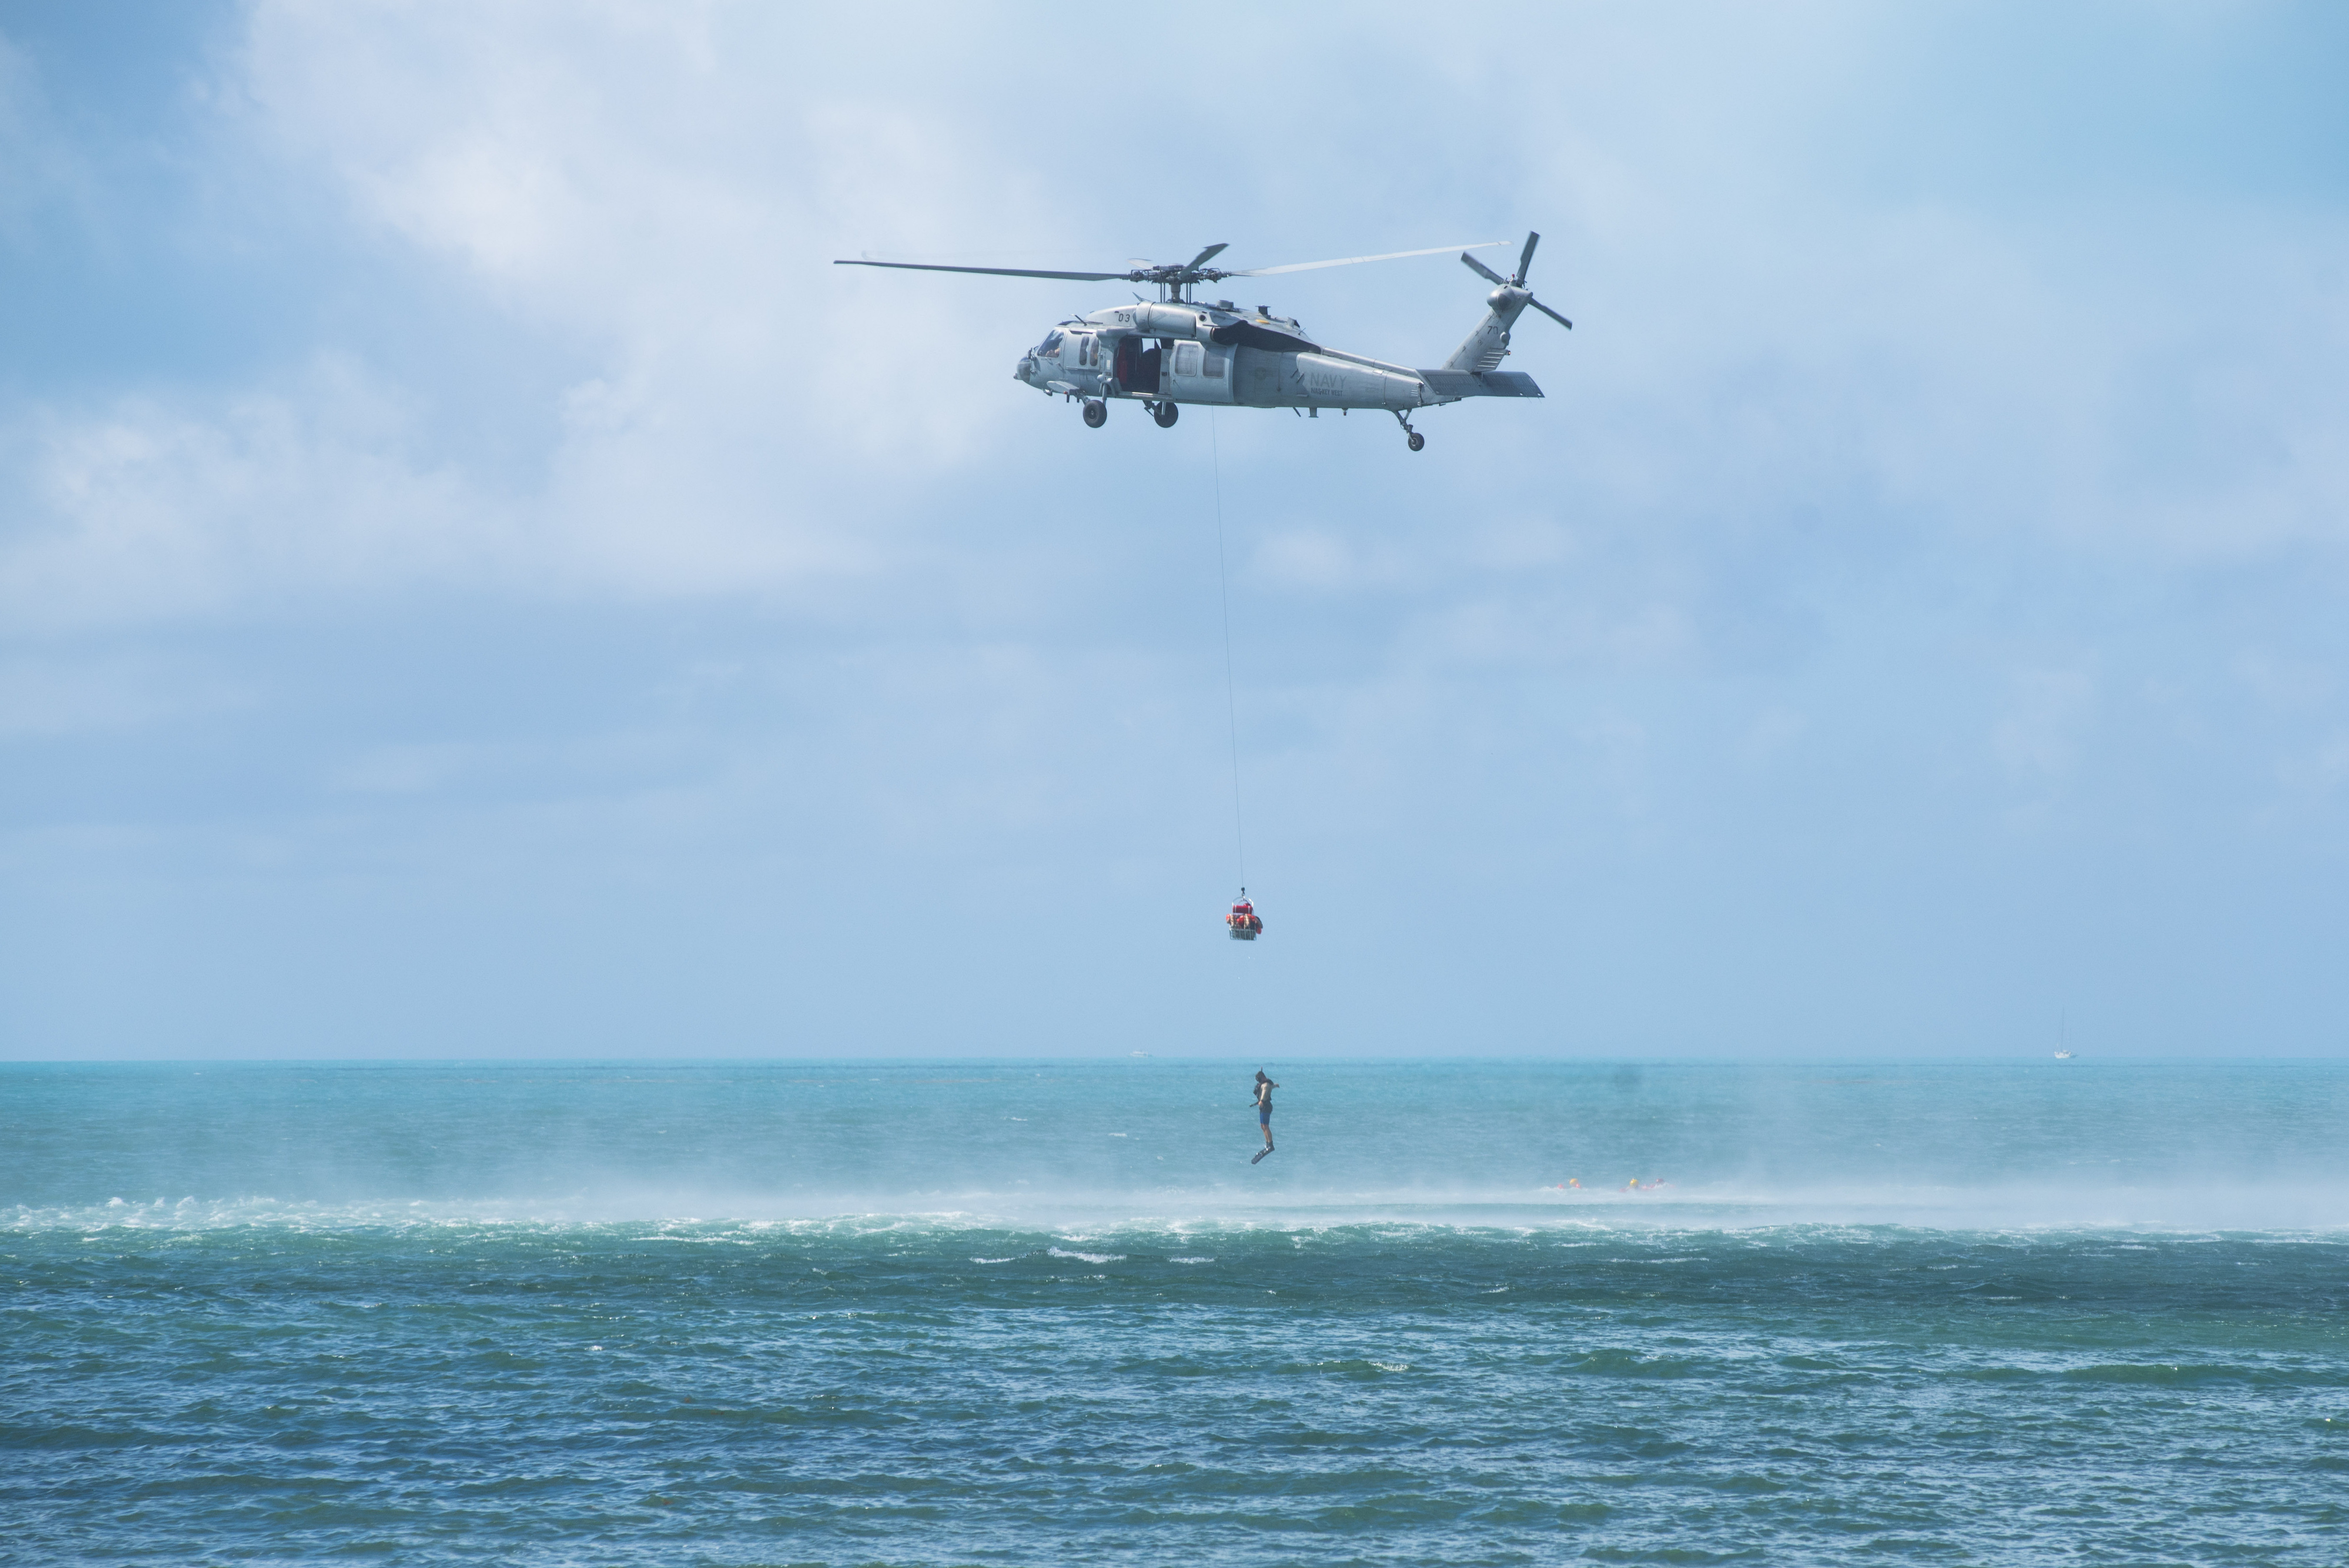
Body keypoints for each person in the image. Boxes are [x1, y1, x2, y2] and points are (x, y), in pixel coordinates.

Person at [1251, 1070, 1279, 1160]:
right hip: (1262, 1107)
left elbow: (1265, 1091)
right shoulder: (1264, 1085)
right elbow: (1271, 1087)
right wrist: (1275, 1086)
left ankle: (1270, 1144)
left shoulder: (1266, 1085)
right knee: (1262, 1126)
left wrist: (1262, 1100)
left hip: (1266, 1106)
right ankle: (1267, 1143)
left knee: (1266, 1126)